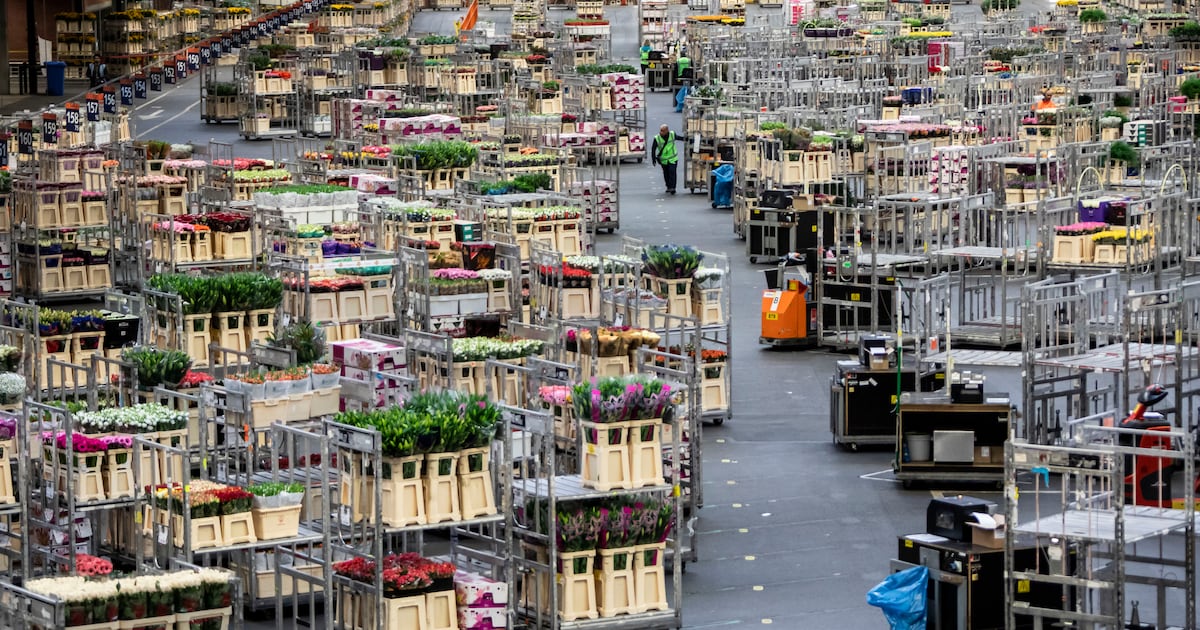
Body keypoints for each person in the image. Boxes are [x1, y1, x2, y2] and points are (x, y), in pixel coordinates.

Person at [651, 124, 678, 195]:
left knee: (672, 172)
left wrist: (689, 139)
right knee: (666, 173)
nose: (661, 132)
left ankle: (673, 187)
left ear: (667, 130)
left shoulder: (672, 134)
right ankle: (668, 186)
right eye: (660, 130)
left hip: (673, 158)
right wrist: (653, 159)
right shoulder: (657, 138)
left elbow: (680, 138)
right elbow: (653, 149)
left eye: (662, 131)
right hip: (664, 160)